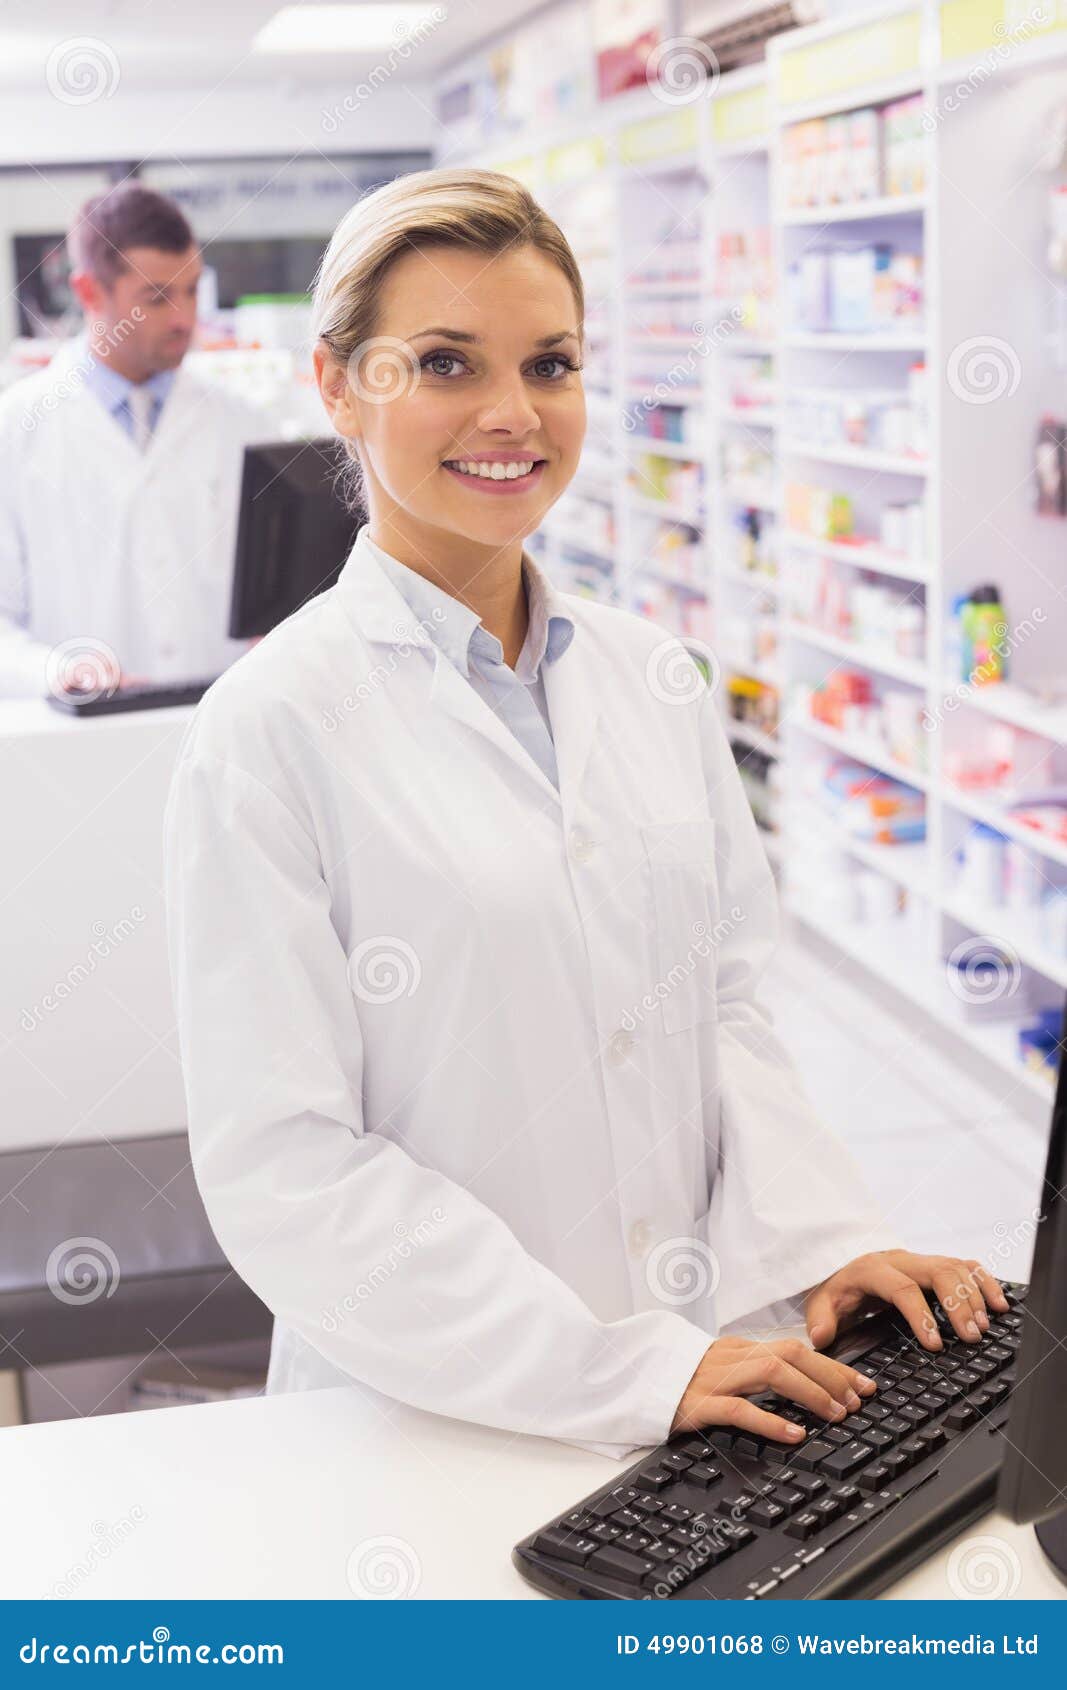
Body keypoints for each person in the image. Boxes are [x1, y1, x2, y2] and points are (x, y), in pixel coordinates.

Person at [163, 168, 1006, 1460]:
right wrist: (606, 1369)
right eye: (444, 363)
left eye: (548, 363)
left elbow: (725, 1005)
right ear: (337, 386)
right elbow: (286, 1166)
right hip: (429, 1414)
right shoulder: (268, 729)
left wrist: (823, 1241)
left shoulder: (650, 676)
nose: (512, 413)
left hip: (709, 1382)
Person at [0, 183, 272, 699]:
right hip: (84, 740)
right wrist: (58, 672)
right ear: (89, 292)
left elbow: (282, 596)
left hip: (221, 725)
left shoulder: (244, 423)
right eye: (157, 297)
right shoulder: (15, 429)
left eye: (192, 290)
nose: (184, 318)